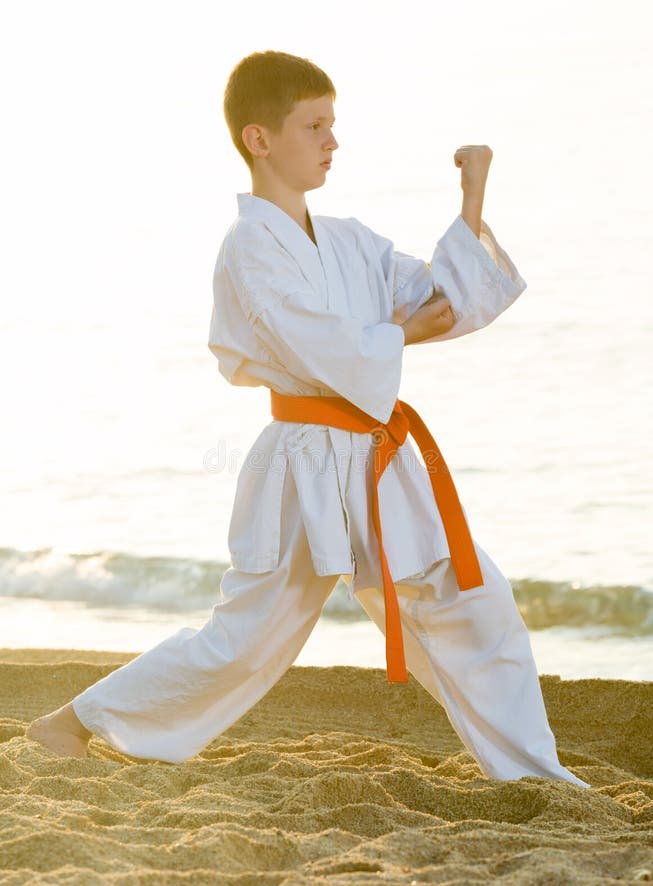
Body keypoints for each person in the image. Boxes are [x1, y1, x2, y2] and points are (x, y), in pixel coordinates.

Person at [27, 50, 590, 789]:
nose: (331, 141)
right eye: (314, 125)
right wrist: (401, 333)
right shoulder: (249, 248)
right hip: (303, 458)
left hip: (373, 453)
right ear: (260, 139)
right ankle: (69, 724)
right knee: (249, 639)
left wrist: (471, 203)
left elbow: (443, 302)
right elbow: (322, 345)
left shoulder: (351, 241)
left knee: (473, 600)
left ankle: (532, 775)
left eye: (332, 124)